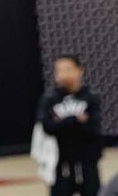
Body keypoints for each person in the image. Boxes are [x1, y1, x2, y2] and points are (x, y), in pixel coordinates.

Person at [36, 55, 102, 196]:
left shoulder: (90, 97)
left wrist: (62, 123)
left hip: (87, 162)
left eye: (68, 69)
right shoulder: (50, 99)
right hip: (61, 163)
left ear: (80, 70)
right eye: (59, 70)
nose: (63, 74)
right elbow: (47, 127)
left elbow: (94, 128)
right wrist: (74, 120)